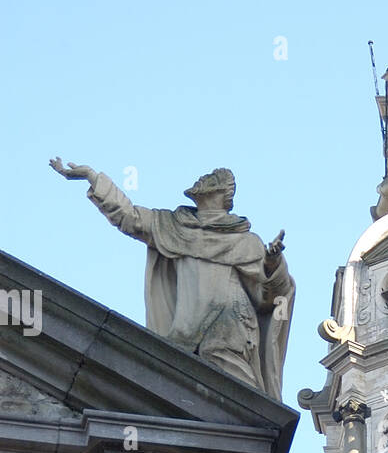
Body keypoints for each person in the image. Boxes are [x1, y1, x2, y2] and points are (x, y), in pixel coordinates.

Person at [50, 159, 293, 400]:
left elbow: (268, 297)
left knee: (242, 399)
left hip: (230, 326)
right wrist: (93, 178)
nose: (202, 178)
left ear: (221, 191)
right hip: (185, 330)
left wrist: (273, 263)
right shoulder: (172, 226)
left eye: (211, 177)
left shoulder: (247, 242)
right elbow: (130, 216)